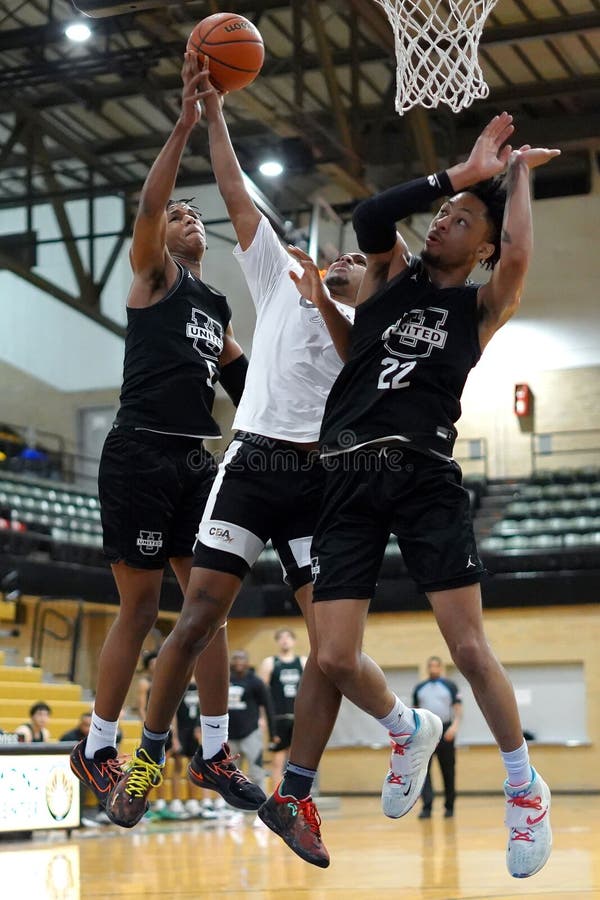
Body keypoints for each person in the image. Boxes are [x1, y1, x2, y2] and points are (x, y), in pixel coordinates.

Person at [259, 113, 559, 879]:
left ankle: (524, 788)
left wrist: (515, 174)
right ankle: (405, 727)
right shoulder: (389, 280)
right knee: (331, 653)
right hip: (347, 478)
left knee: (467, 645)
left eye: (461, 222)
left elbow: (521, 250)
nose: (444, 222)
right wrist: (458, 175)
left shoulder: (481, 306)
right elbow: (369, 215)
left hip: (423, 473)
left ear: (482, 249)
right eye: (444, 214)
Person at [107, 57, 365, 830]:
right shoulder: (274, 271)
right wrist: (206, 115)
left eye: (359, 259)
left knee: (334, 653)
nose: (341, 258)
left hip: (310, 476)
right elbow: (223, 194)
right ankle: (147, 755)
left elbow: (245, 367)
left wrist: (329, 310)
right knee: (187, 615)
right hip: (234, 460)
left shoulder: (358, 328)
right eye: (336, 251)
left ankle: (303, 785)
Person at [69, 52, 250, 819]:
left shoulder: (215, 304)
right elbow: (147, 208)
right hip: (139, 450)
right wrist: (186, 124)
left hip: (193, 458)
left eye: (195, 214)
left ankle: (213, 751)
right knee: (142, 610)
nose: (188, 217)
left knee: (210, 606)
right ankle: (99, 743)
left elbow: (249, 389)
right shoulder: (154, 276)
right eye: (181, 213)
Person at [220, 650, 274, 802]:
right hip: (229, 735)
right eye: (235, 658)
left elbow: (268, 706)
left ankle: (262, 803)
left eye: (242, 658)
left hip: (251, 733)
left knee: (256, 771)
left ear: (247, 661)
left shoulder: (255, 682)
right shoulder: (224, 679)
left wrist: (273, 733)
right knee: (230, 774)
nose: (238, 661)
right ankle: (233, 804)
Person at [413, 656, 462, 819]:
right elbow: (415, 710)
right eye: (431, 666)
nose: (434, 669)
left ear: (440, 668)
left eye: (436, 666)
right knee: (423, 771)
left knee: (448, 770)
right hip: (426, 732)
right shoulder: (420, 688)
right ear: (428, 668)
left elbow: (457, 709)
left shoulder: (450, 686)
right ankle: (427, 806)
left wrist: (454, 728)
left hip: (445, 730)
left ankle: (450, 806)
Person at [259, 628, 306, 787]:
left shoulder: (303, 662)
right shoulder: (270, 662)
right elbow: (262, 694)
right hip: (278, 717)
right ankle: (277, 797)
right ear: (277, 641)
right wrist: (262, 717)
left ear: (294, 641)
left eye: (288, 637)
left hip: (298, 717)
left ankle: (295, 794)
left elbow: (312, 690)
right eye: (281, 638)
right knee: (277, 760)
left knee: (297, 761)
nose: (285, 640)